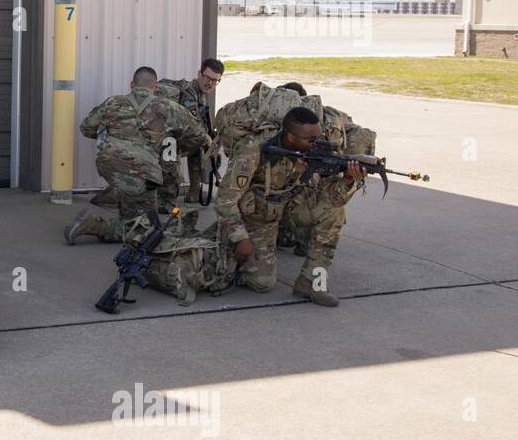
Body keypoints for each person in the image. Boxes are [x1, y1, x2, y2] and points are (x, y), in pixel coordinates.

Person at [215, 105, 366, 306]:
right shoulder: (254, 150)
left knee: (334, 214)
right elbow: (225, 200)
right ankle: (229, 252)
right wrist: (240, 238)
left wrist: (348, 180)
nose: (316, 143)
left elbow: (332, 199)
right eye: (310, 139)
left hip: (291, 209)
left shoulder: (319, 151)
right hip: (259, 218)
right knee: (262, 283)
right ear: (290, 136)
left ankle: (312, 282)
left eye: (318, 136)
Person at [65, 66, 211, 244]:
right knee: (148, 231)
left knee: (132, 208)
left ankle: (124, 213)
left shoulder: (112, 102)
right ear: (156, 87)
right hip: (142, 173)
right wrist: (179, 146)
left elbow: (86, 128)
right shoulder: (168, 108)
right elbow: (200, 136)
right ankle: (92, 226)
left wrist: (114, 134)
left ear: (131, 85)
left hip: (108, 166)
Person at [272, 83, 377, 260]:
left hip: (320, 185)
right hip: (286, 198)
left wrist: (346, 166)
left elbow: (359, 134)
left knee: (328, 202)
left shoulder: (326, 121)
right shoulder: (285, 127)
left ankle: (306, 237)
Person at [158, 57, 224, 202]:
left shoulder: (200, 94)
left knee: (201, 143)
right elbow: (191, 126)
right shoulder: (190, 92)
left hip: (170, 140)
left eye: (215, 80)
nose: (210, 83)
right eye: (208, 78)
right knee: (201, 140)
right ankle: (178, 195)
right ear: (199, 74)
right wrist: (208, 140)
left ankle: (194, 192)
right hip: (164, 141)